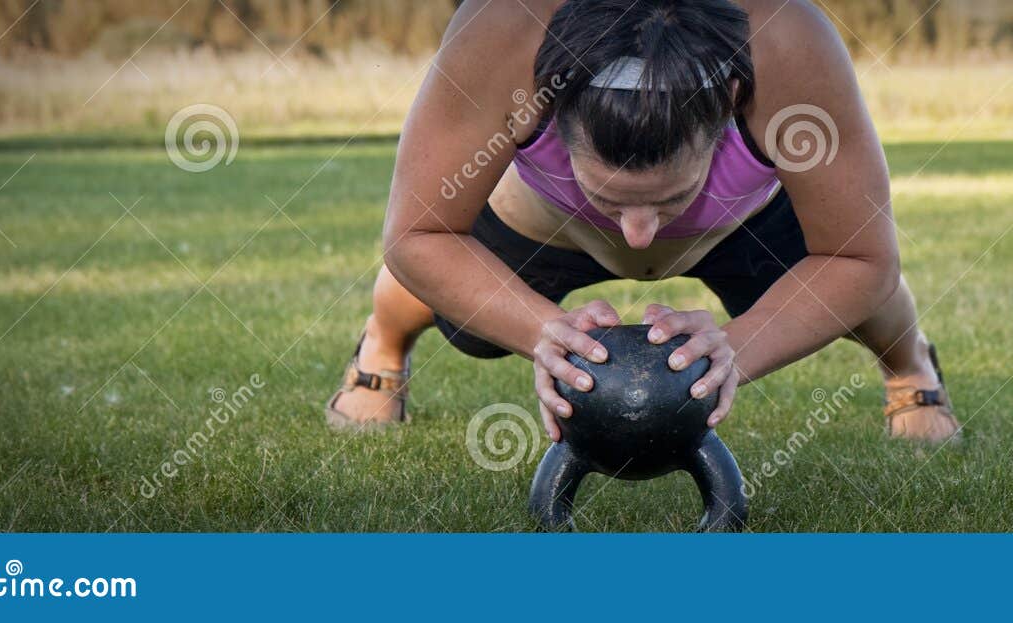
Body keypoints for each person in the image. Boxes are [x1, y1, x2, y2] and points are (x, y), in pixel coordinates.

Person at [326, 0, 959, 444]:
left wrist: (735, 350)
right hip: (549, 216)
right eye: (614, 199)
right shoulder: (505, 28)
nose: (640, 235)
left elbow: (862, 258)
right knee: (463, 313)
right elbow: (422, 233)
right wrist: (541, 328)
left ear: (732, 100)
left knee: (851, 291)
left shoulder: (787, 44)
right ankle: (382, 348)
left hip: (742, 220)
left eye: (669, 199)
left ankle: (911, 371)